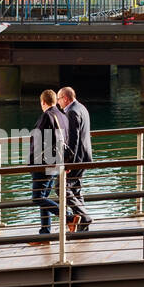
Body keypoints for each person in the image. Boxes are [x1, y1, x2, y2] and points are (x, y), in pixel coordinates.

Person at [28, 89, 65, 245]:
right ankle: (45, 234)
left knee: (38, 198)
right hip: (57, 162)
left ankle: (68, 216)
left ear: (43, 102)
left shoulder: (46, 116)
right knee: (44, 198)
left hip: (43, 165)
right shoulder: (63, 116)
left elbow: (37, 140)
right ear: (55, 100)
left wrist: (31, 162)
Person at [56, 86, 93, 233]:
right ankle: (84, 226)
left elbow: (73, 140)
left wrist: (68, 162)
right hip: (84, 157)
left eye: (59, 99)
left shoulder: (71, 112)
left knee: (60, 187)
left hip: (76, 159)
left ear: (65, 98)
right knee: (75, 190)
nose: (58, 103)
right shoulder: (81, 107)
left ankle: (84, 217)